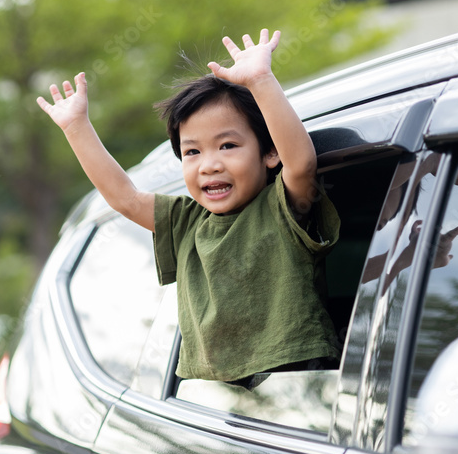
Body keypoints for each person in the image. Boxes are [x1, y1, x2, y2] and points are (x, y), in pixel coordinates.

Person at [36, 29, 340, 388]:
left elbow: (301, 164)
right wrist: (76, 128)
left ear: (270, 152)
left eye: (227, 145)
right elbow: (125, 198)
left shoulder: (282, 206)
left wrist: (260, 81)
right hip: (219, 399)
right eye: (193, 152)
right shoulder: (186, 222)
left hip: (299, 386)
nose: (208, 165)